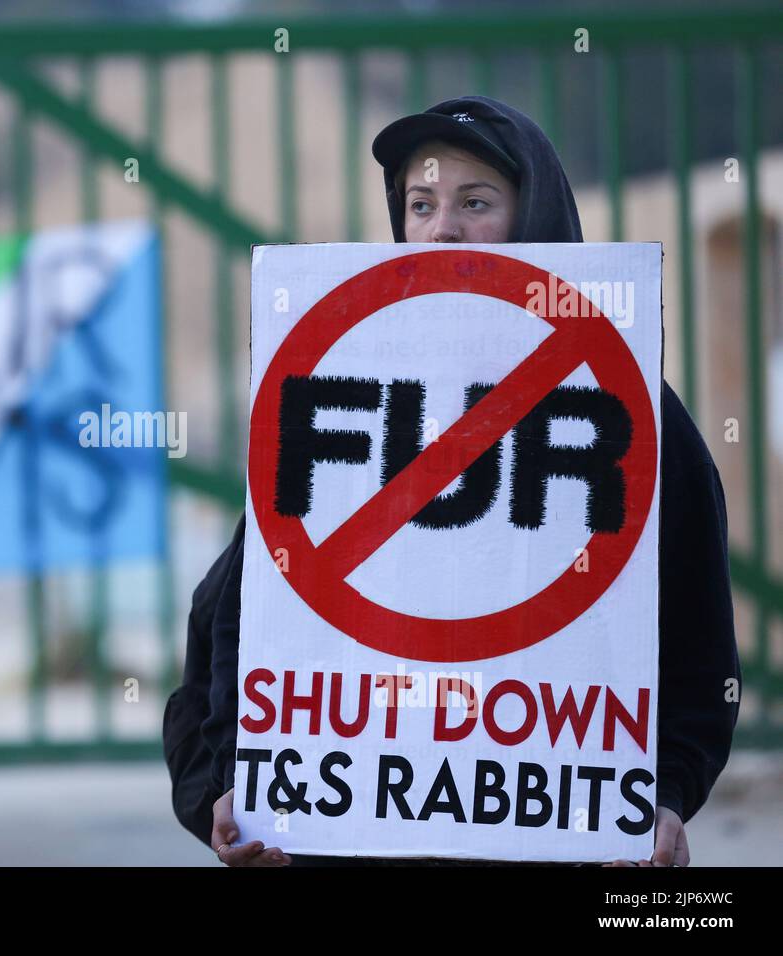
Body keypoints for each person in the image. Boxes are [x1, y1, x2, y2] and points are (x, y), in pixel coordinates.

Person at [162, 94, 741, 868]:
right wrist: (222, 789)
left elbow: (697, 650)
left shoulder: (634, 411)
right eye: (421, 203)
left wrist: (663, 797)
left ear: (536, 214)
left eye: (476, 202)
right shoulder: (342, 384)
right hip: (352, 844)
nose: (442, 228)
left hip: (556, 846)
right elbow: (239, 619)